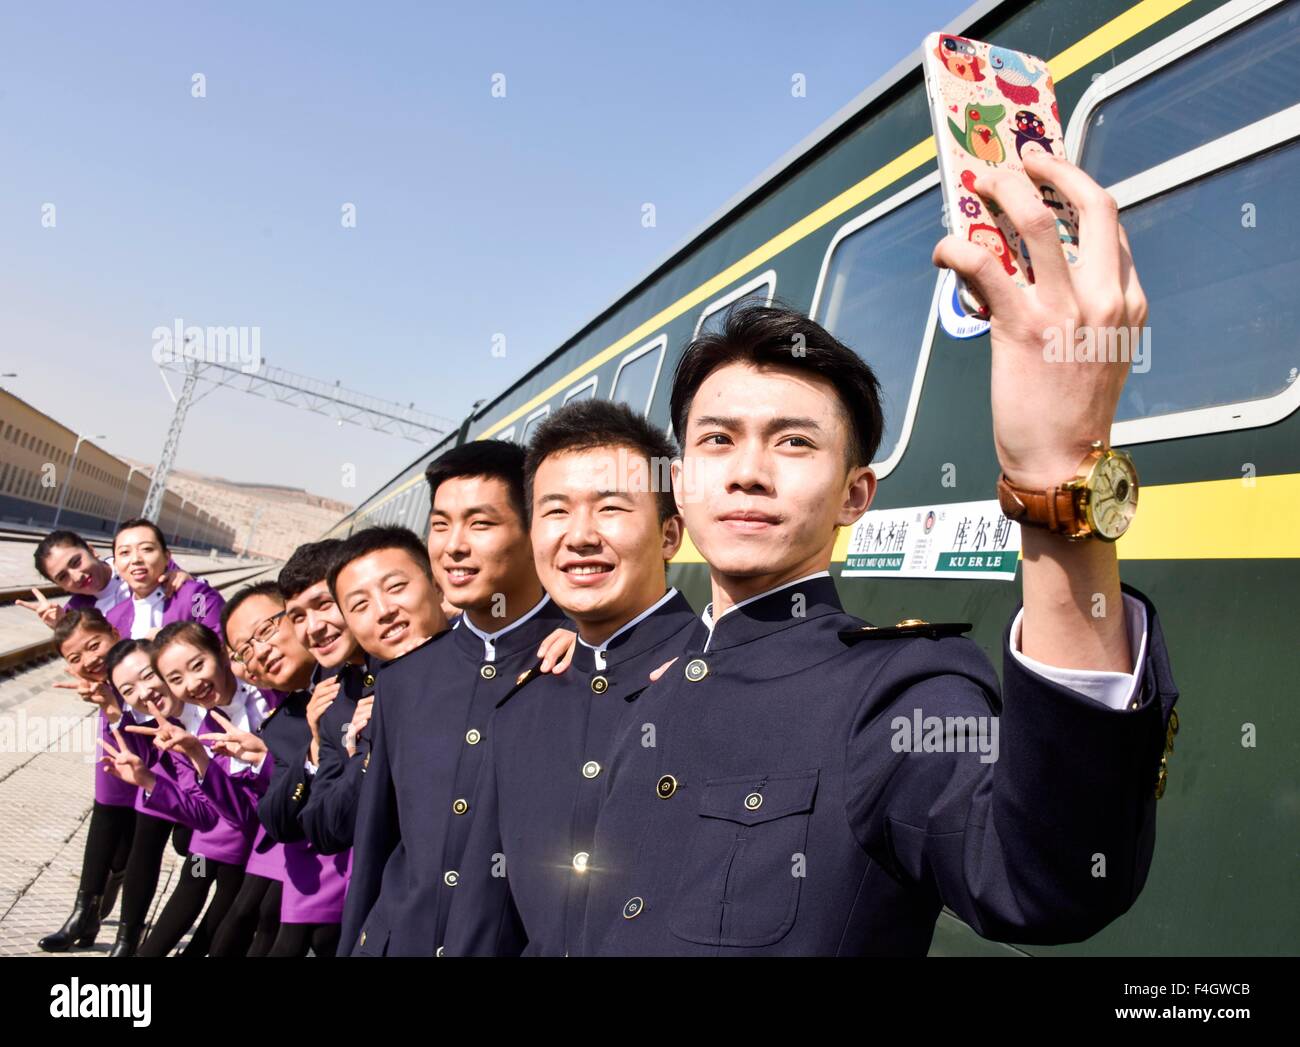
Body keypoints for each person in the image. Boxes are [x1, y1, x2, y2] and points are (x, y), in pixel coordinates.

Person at [576, 153, 1179, 955]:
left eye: (794, 442)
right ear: (680, 484)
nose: (749, 471)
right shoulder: (638, 683)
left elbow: (1049, 877)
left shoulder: (895, 694)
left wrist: (1060, 477)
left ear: (855, 495)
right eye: (718, 440)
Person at [443, 400, 698, 956]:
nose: (579, 536)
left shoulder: (724, 675)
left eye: (611, 508)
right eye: (555, 512)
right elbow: (487, 916)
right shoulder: (521, 705)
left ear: (670, 535)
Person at [336, 444, 575, 957]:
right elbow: (375, 849)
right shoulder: (404, 681)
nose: (453, 547)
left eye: (480, 524)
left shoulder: (578, 663)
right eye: (441, 525)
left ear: (533, 530)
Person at [135, 621, 272, 956]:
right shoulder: (192, 729)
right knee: (193, 883)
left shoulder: (269, 696)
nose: (192, 683)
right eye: (176, 679)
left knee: (231, 915)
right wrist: (185, 761)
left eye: (197, 666)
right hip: (210, 841)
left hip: (254, 845)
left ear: (223, 654)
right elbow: (206, 805)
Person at [36, 609, 136, 952]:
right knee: (105, 819)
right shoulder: (100, 678)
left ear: (114, 631)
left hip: (153, 759)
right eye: (75, 658)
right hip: (113, 742)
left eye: (95, 645)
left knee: (136, 843)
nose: (90, 660)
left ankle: (122, 924)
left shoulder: (140, 663)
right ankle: (82, 914)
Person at [98, 638, 201, 957]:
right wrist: (115, 716)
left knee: (198, 862)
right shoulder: (143, 716)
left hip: (216, 808)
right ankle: (127, 939)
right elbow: (141, 756)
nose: (143, 692)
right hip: (165, 782)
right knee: (145, 840)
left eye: (148, 675)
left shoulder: (207, 703)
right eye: (128, 690)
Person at [21, 528, 191, 626]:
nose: (77, 576)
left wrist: (186, 580)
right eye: (63, 577)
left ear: (92, 551)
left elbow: (202, 601)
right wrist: (62, 627)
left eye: (76, 562)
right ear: (60, 587)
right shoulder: (76, 612)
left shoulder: (141, 564)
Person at [104, 519, 223, 639]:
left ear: (167, 557)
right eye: (124, 552)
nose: (136, 559)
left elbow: (219, 648)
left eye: (147, 549)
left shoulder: (198, 597)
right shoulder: (114, 618)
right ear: (116, 565)